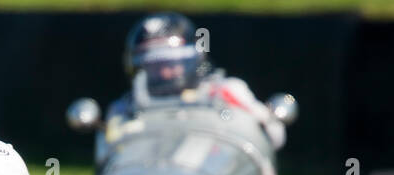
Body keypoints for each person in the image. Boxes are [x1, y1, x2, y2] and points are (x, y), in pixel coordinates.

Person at [105, 12, 286, 153]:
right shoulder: (125, 108)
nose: (165, 73)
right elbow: (110, 156)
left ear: (191, 61)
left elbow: (274, 136)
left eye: (171, 64)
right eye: (154, 66)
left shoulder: (225, 91)